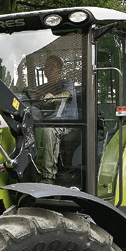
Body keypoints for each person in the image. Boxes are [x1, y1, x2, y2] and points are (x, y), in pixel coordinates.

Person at [37, 55, 77, 183]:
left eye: (52, 67)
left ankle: (48, 175)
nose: (48, 69)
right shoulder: (42, 87)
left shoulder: (67, 83)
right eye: (46, 67)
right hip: (47, 121)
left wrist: (53, 98)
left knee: (50, 131)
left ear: (59, 69)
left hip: (67, 122)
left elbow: (67, 95)